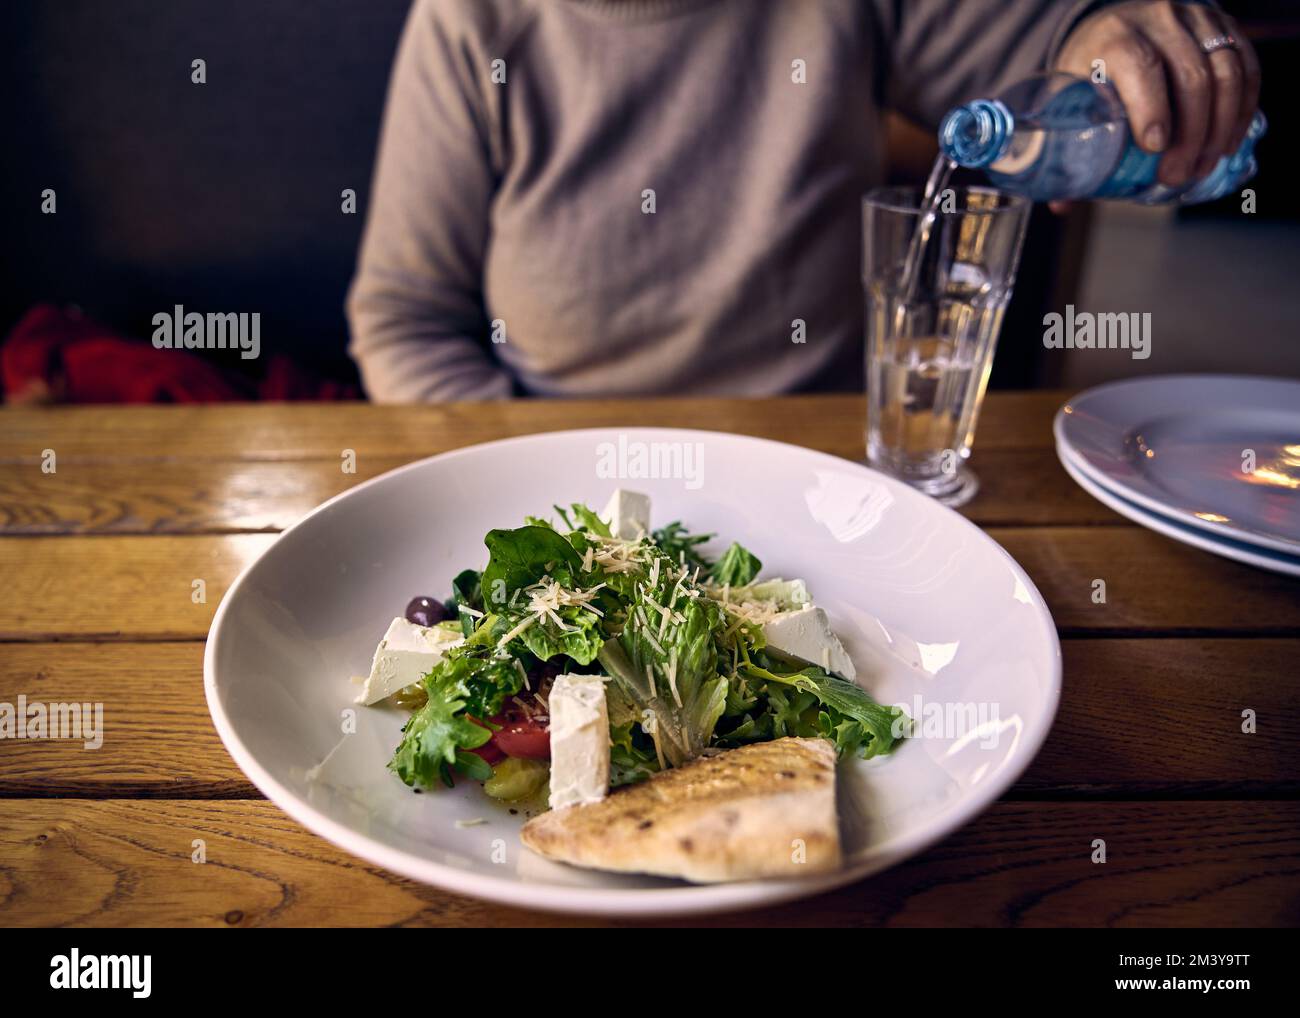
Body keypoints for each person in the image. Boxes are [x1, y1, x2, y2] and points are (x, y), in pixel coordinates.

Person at [347, 0, 1260, 403]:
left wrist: (1102, 29)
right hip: (556, 455)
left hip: (817, 464)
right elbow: (402, 321)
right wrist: (537, 481)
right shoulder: (471, 23)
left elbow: (1056, 46)